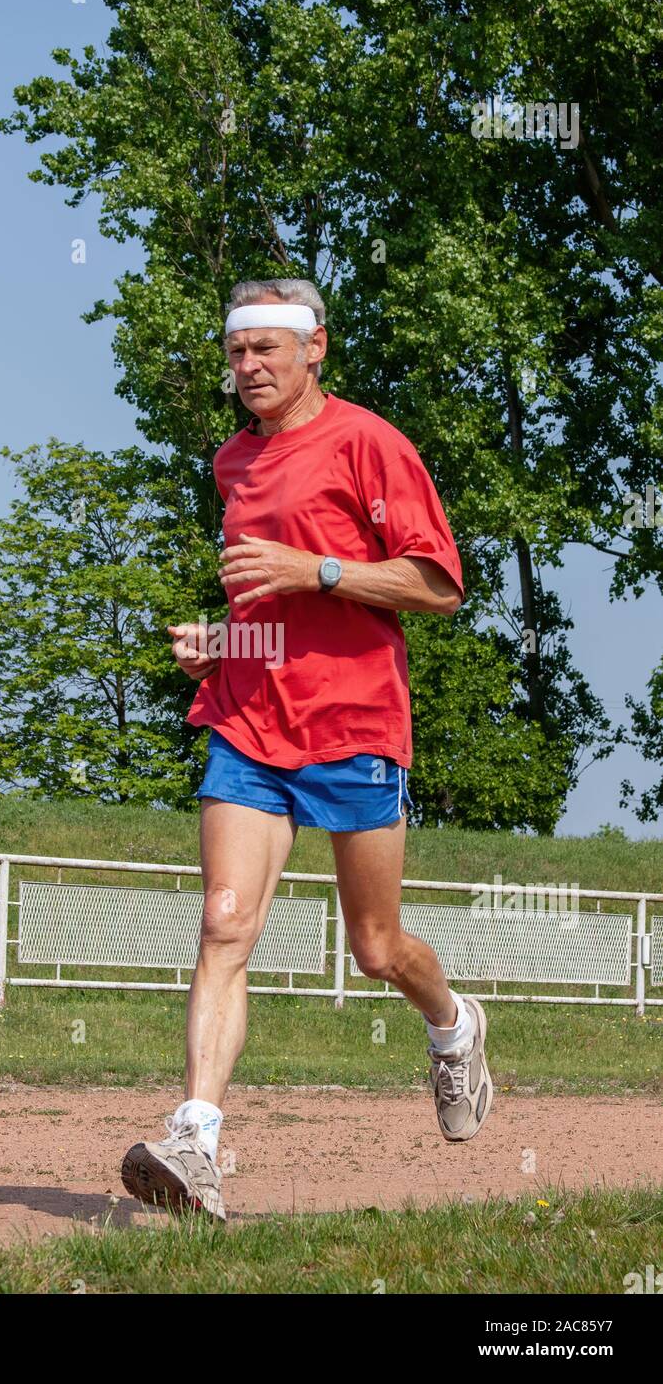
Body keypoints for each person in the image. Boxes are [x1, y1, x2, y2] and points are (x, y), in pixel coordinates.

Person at [121, 279, 492, 1222]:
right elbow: (268, 612)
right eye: (236, 352)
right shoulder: (231, 461)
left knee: (375, 948)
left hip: (355, 722)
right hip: (248, 720)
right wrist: (222, 640)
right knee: (225, 926)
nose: (246, 369)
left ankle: (452, 1028)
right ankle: (194, 1142)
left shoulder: (371, 444)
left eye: (265, 352)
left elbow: (439, 584)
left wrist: (316, 570)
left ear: (314, 347)